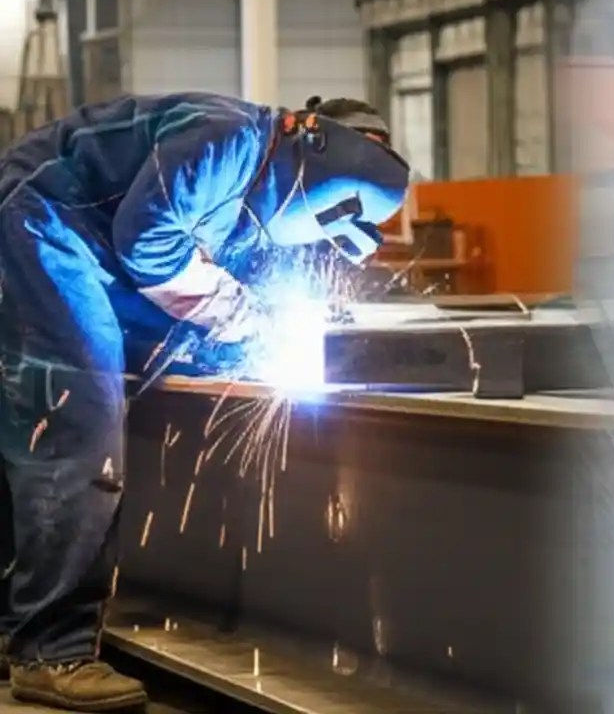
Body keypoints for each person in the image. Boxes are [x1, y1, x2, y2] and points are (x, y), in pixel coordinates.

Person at [0, 92, 410, 710]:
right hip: (40, 225)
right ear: (316, 153)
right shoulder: (229, 139)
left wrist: (236, 334)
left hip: (67, 239)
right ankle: (50, 653)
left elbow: (190, 293)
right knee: (76, 423)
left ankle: (14, 631)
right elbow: (148, 248)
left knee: (37, 431)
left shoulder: (255, 194)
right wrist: (246, 319)